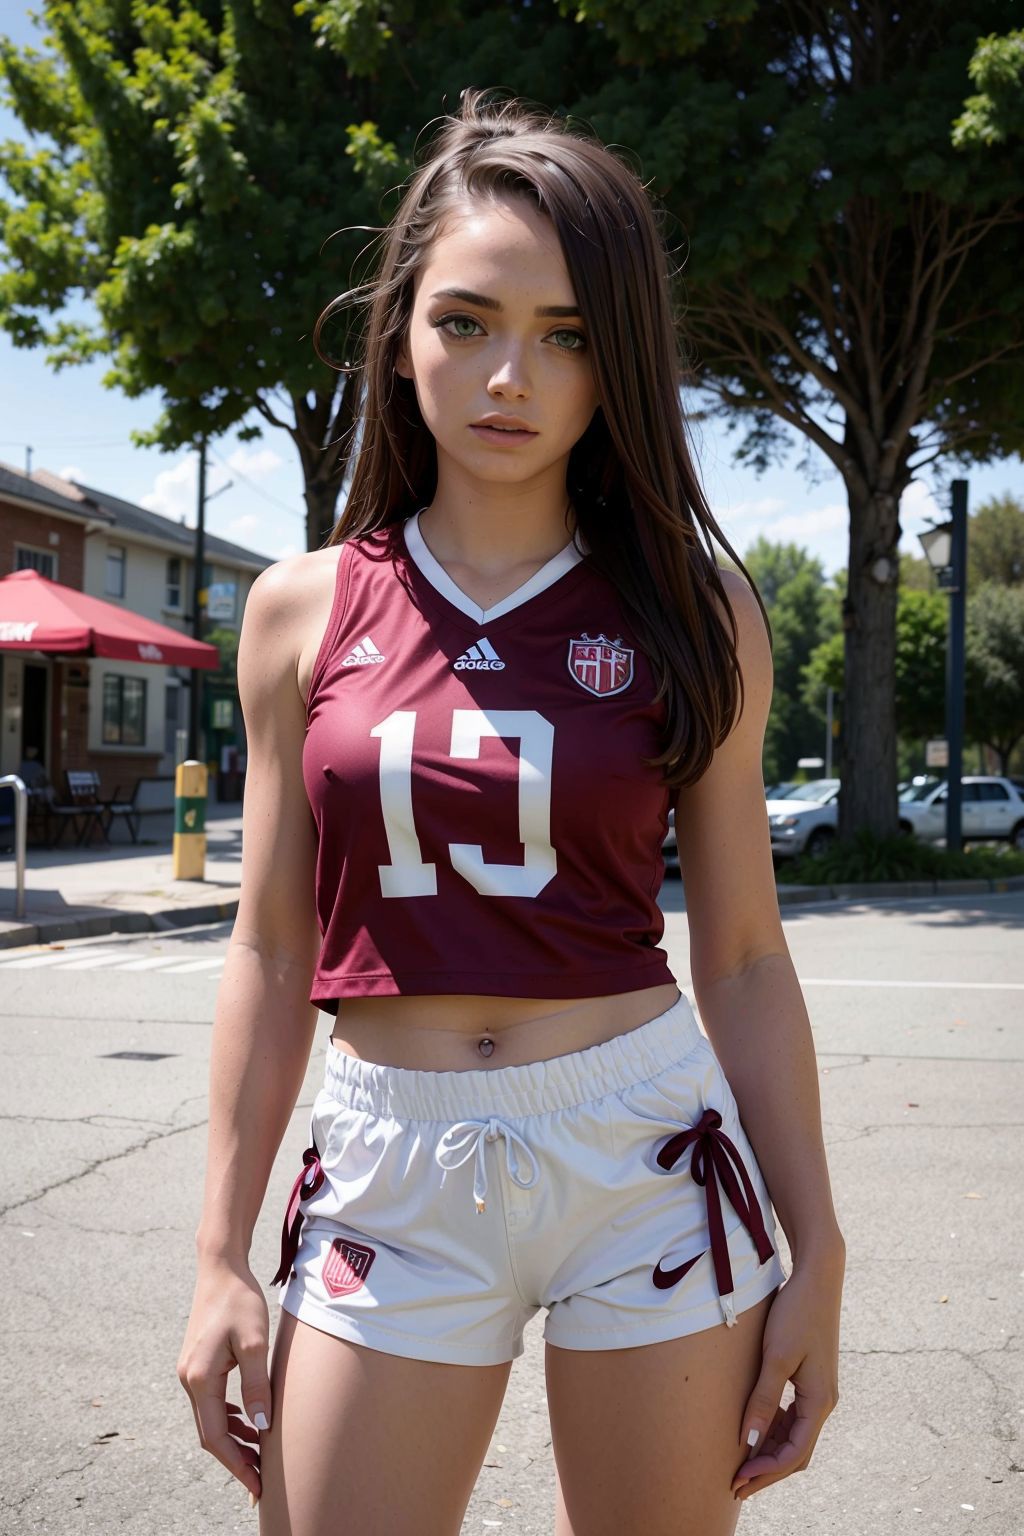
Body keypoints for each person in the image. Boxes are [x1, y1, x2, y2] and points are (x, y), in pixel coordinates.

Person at [177, 86, 845, 1535]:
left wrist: (822, 1250)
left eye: (567, 336)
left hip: (640, 1149)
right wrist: (220, 1253)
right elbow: (272, 950)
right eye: (467, 320)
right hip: (387, 1159)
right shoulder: (298, 611)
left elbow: (742, 955)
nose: (508, 376)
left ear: (620, 362)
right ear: (399, 330)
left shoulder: (697, 609)